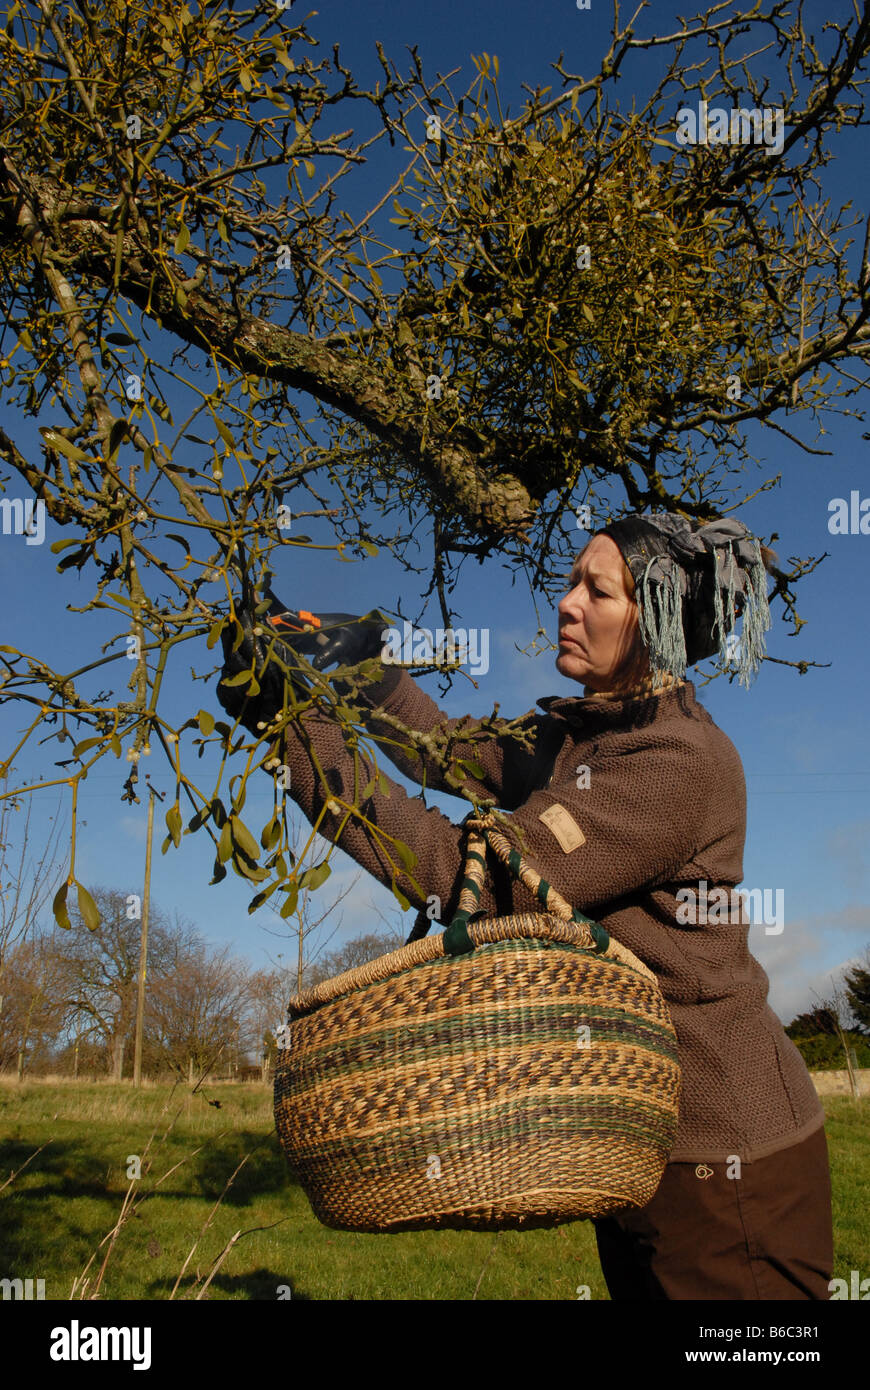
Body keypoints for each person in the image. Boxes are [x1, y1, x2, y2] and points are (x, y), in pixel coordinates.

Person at [217, 511, 834, 1301]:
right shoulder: (583, 738)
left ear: (658, 624)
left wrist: (294, 729)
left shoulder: (674, 759)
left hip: (729, 1165)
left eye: (597, 590)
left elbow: (465, 872)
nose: (567, 603)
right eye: (571, 581)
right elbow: (442, 746)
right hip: (638, 1140)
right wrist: (350, 660)